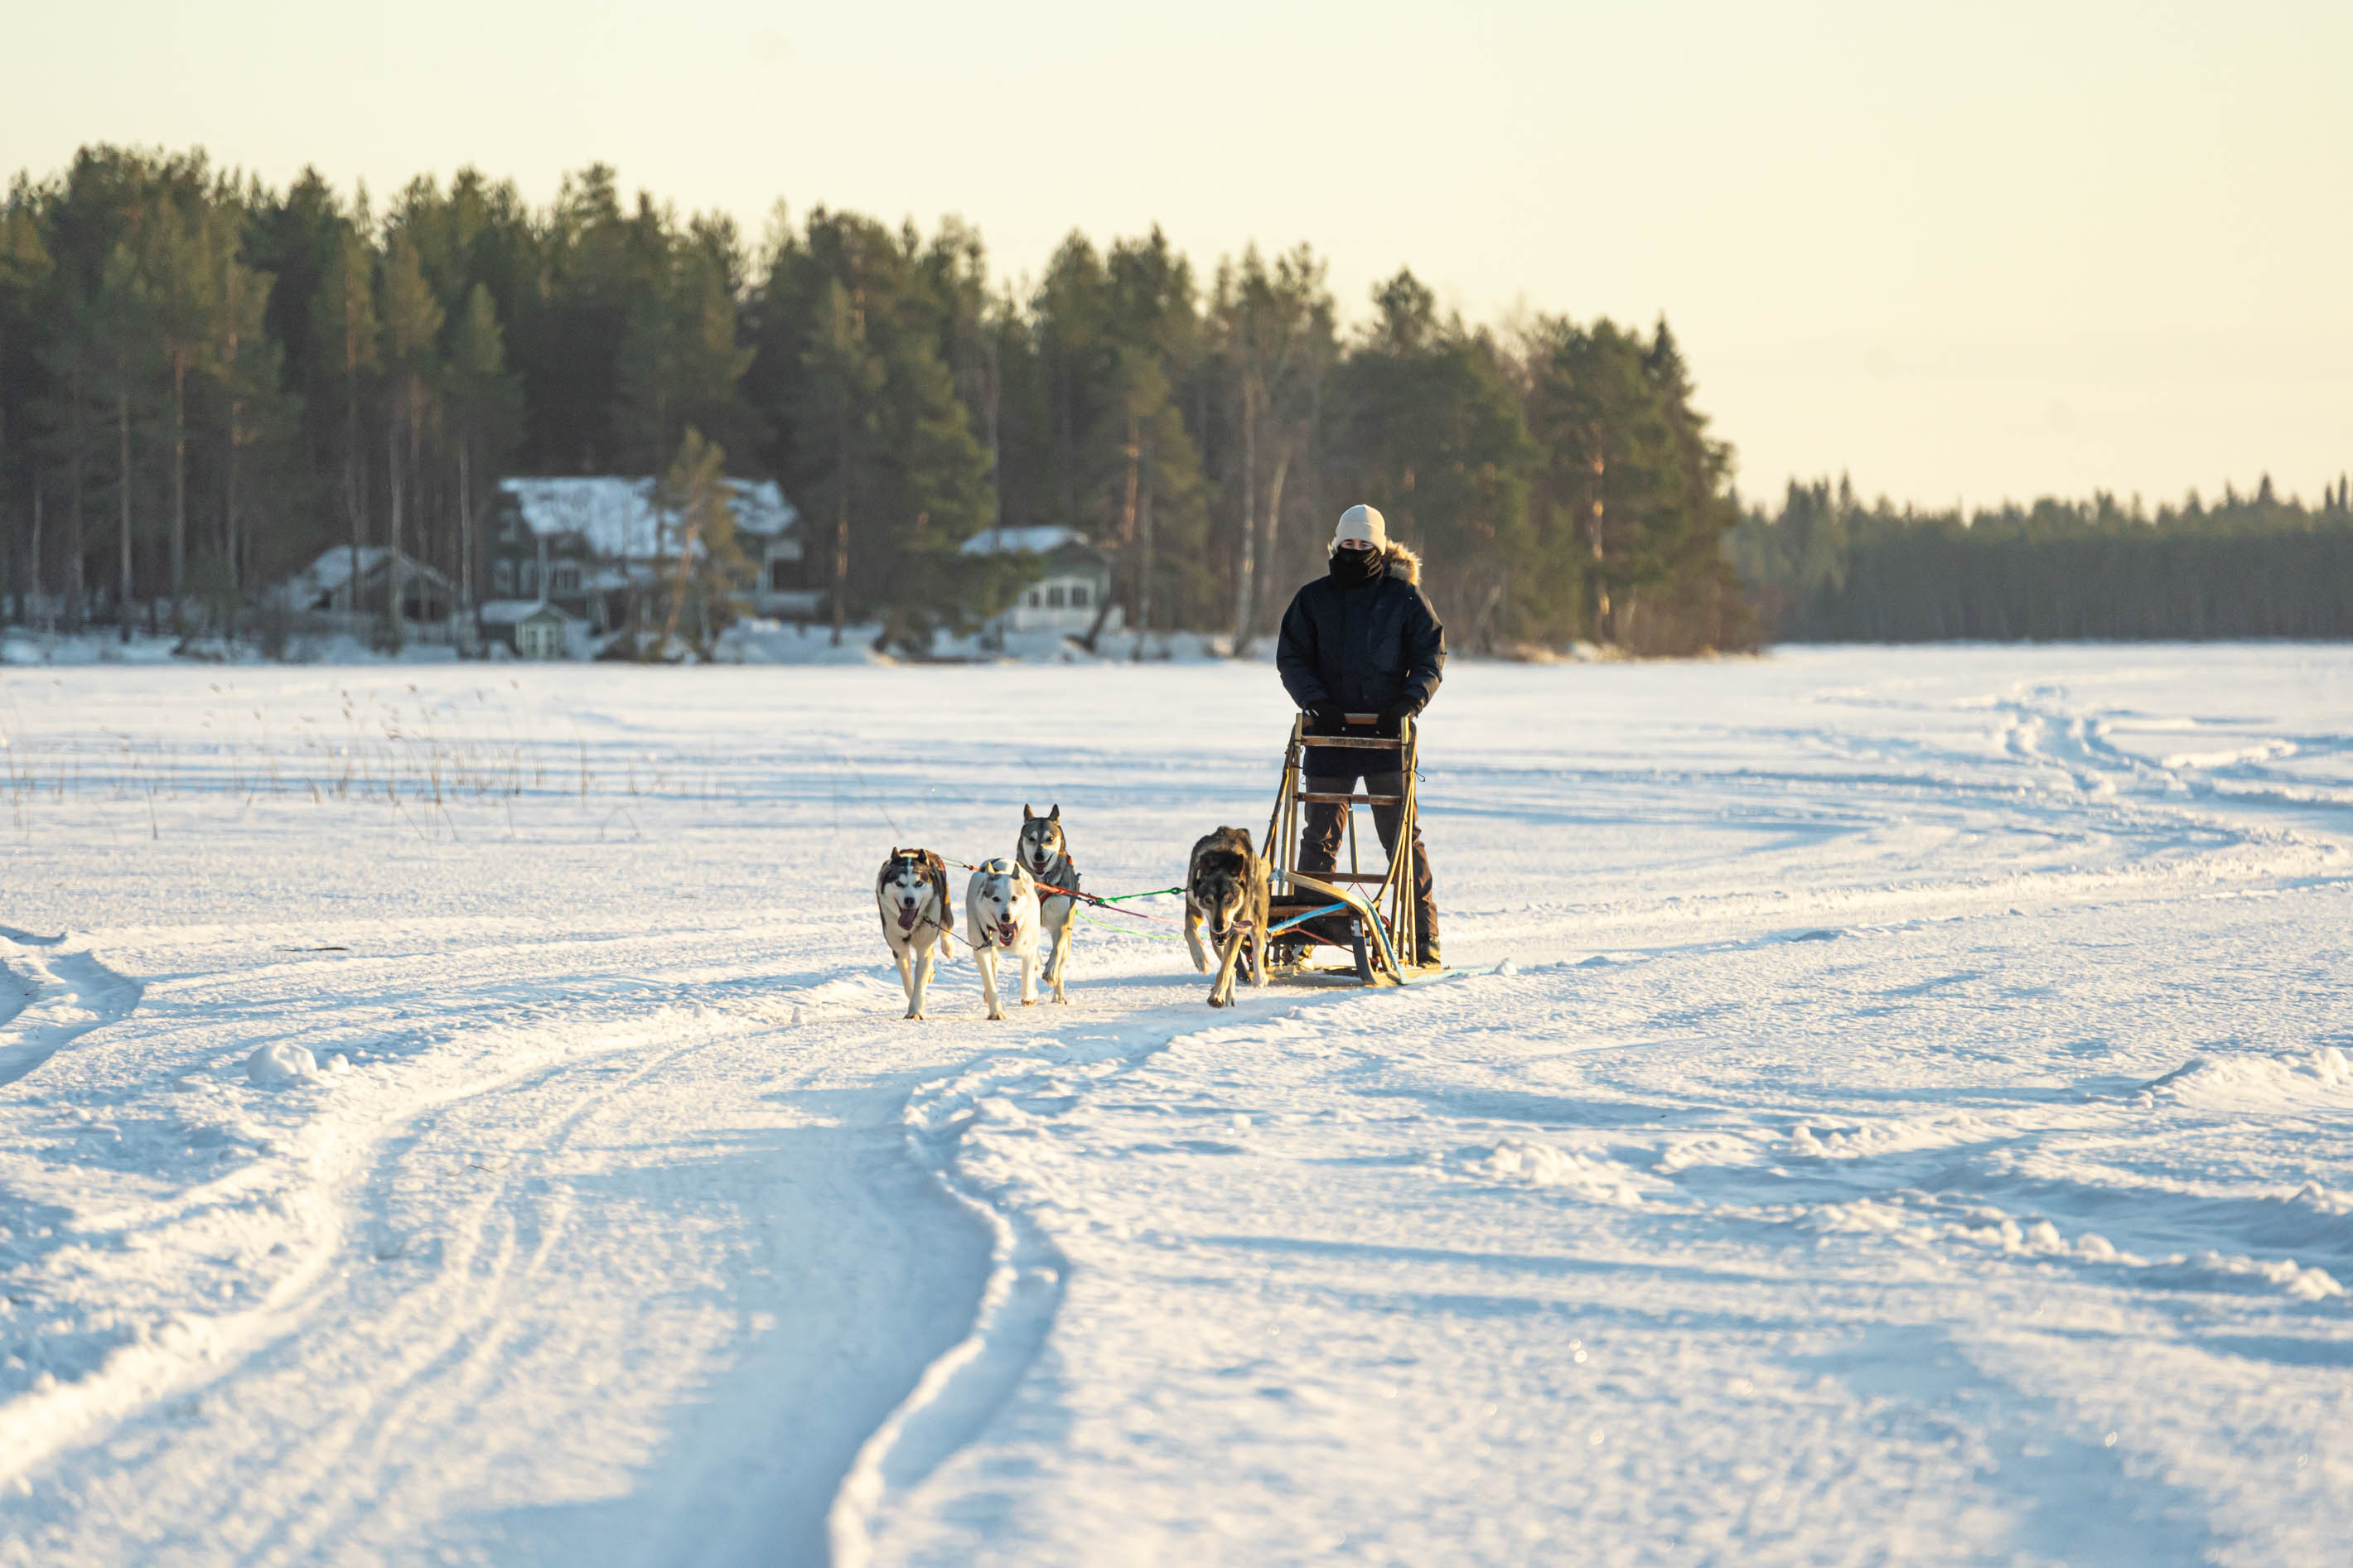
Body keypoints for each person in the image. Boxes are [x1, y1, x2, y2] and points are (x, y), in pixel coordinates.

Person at [1274, 503, 1445, 966]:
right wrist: (1316, 703)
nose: (1354, 551)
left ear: (1379, 548)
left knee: (1401, 838)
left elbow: (1431, 656)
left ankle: (1423, 938)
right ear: (1336, 545)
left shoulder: (1404, 599)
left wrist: (1407, 704)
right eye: (1347, 544)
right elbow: (1292, 658)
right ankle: (1303, 934)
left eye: (1363, 545)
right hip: (1328, 737)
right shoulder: (1313, 599)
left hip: (1387, 739)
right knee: (1318, 838)